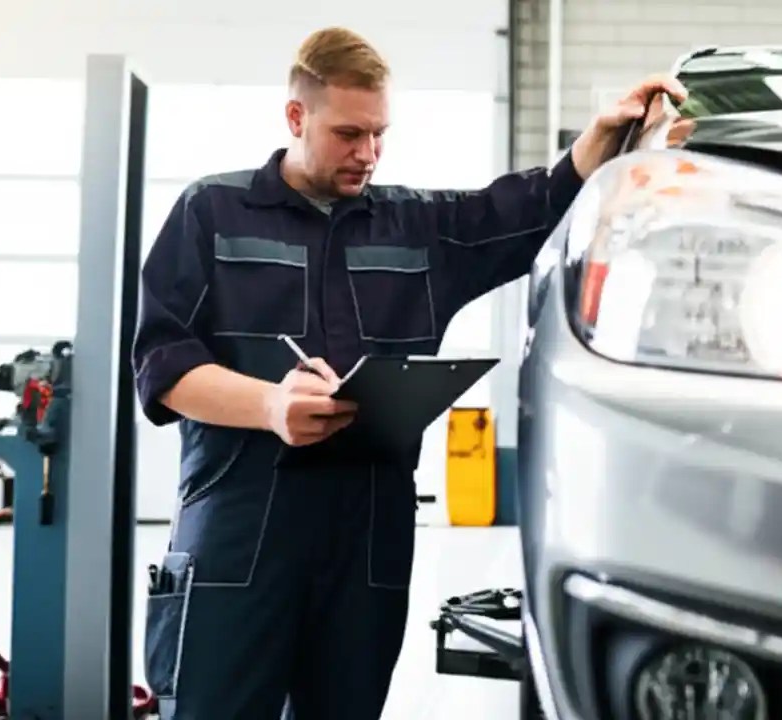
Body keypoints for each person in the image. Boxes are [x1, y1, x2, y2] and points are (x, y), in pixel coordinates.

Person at [132, 25, 686, 720]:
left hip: (369, 533)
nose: (368, 153)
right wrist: (272, 406)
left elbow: (526, 209)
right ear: (296, 117)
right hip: (239, 527)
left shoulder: (414, 228)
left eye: (379, 134)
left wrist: (605, 137)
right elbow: (162, 365)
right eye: (348, 134)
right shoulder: (210, 213)